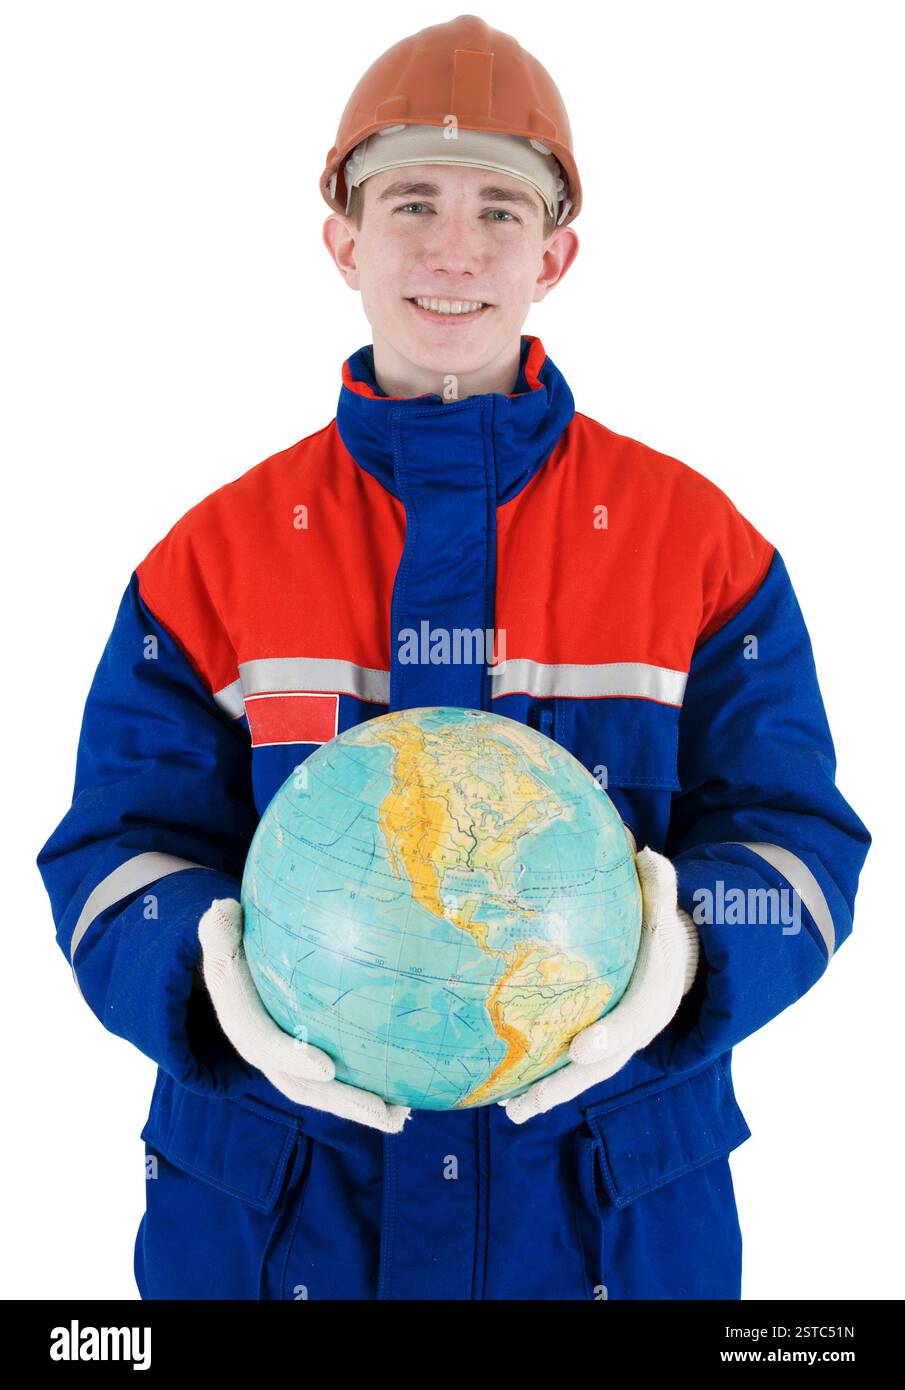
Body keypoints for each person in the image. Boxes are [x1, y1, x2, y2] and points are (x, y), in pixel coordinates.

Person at [36, 14, 870, 1301]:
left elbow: (794, 839)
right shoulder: (208, 561)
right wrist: (200, 979)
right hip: (276, 1223)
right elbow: (109, 851)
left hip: (605, 1226)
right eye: (409, 199)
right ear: (341, 241)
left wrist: (692, 961)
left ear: (557, 252)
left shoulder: (700, 550)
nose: (451, 247)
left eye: (499, 210)